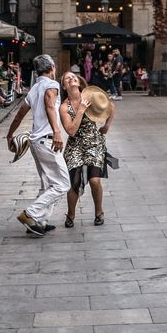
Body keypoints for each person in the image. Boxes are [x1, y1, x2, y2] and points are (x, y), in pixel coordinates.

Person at [5, 54, 70, 236]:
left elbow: (20, 114)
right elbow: (50, 105)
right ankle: (30, 214)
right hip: (47, 140)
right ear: (52, 67)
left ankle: (39, 221)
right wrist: (57, 131)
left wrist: (10, 134)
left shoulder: (34, 88)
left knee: (47, 184)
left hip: (36, 142)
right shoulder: (52, 84)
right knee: (63, 184)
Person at [59, 72, 113, 227]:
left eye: (73, 77)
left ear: (79, 81)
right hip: (75, 146)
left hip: (94, 143)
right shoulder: (64, 107)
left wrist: (106, 126)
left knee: (95, 180)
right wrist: (81, 110)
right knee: (75, 182)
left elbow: (111, 106)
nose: (71, 79)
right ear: (64, 86)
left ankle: (99, 212)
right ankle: (70, 214)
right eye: (67, 79)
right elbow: (71, 131)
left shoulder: (89, 96)